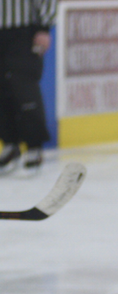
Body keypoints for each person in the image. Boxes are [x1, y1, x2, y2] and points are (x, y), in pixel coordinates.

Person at [0, 0, 56, 175]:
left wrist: (44, 28)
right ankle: (10, 144)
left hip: (23, 32)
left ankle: (34, 145)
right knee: (2, 91)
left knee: (24, 88)